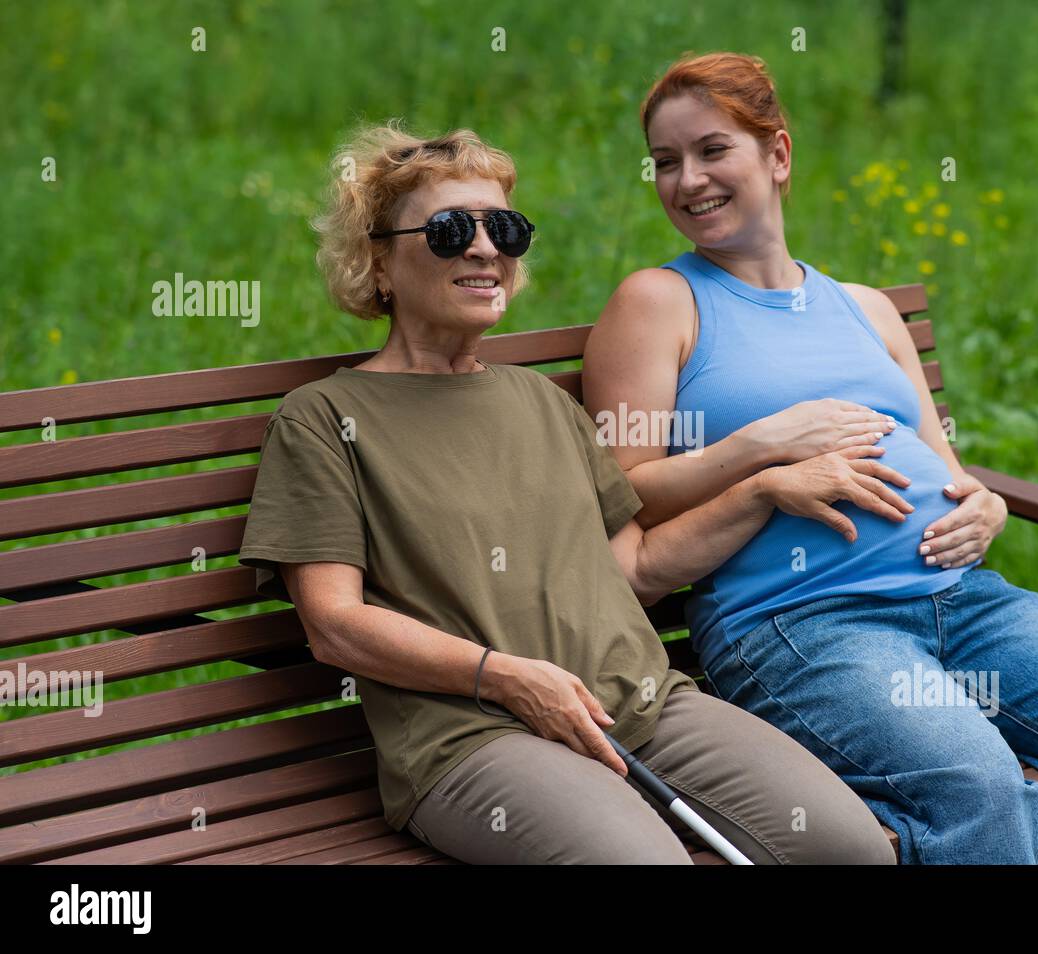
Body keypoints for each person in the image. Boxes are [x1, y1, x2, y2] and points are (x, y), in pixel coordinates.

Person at [581, 52, 1038, 864]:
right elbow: (629, 494)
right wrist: (765, 449)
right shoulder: (658, 300)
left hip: (967, 603)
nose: (688, 180)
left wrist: (984, 502)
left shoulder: (865, 308)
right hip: (804, 625)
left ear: (777, 155)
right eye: (666, 163)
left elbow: (945, 466)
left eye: (713, 150)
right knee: (982, 792)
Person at [237, 121, 898, 865]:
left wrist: (761, 490)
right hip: (475, 736)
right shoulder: (325, 419)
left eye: (506, 229)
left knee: (851, 849)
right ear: (379, 261)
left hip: (642, 707)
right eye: (453, 229)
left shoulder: (543, 402)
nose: (486, 248)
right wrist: (508, 679)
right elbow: (335, 624)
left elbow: (635, 570)